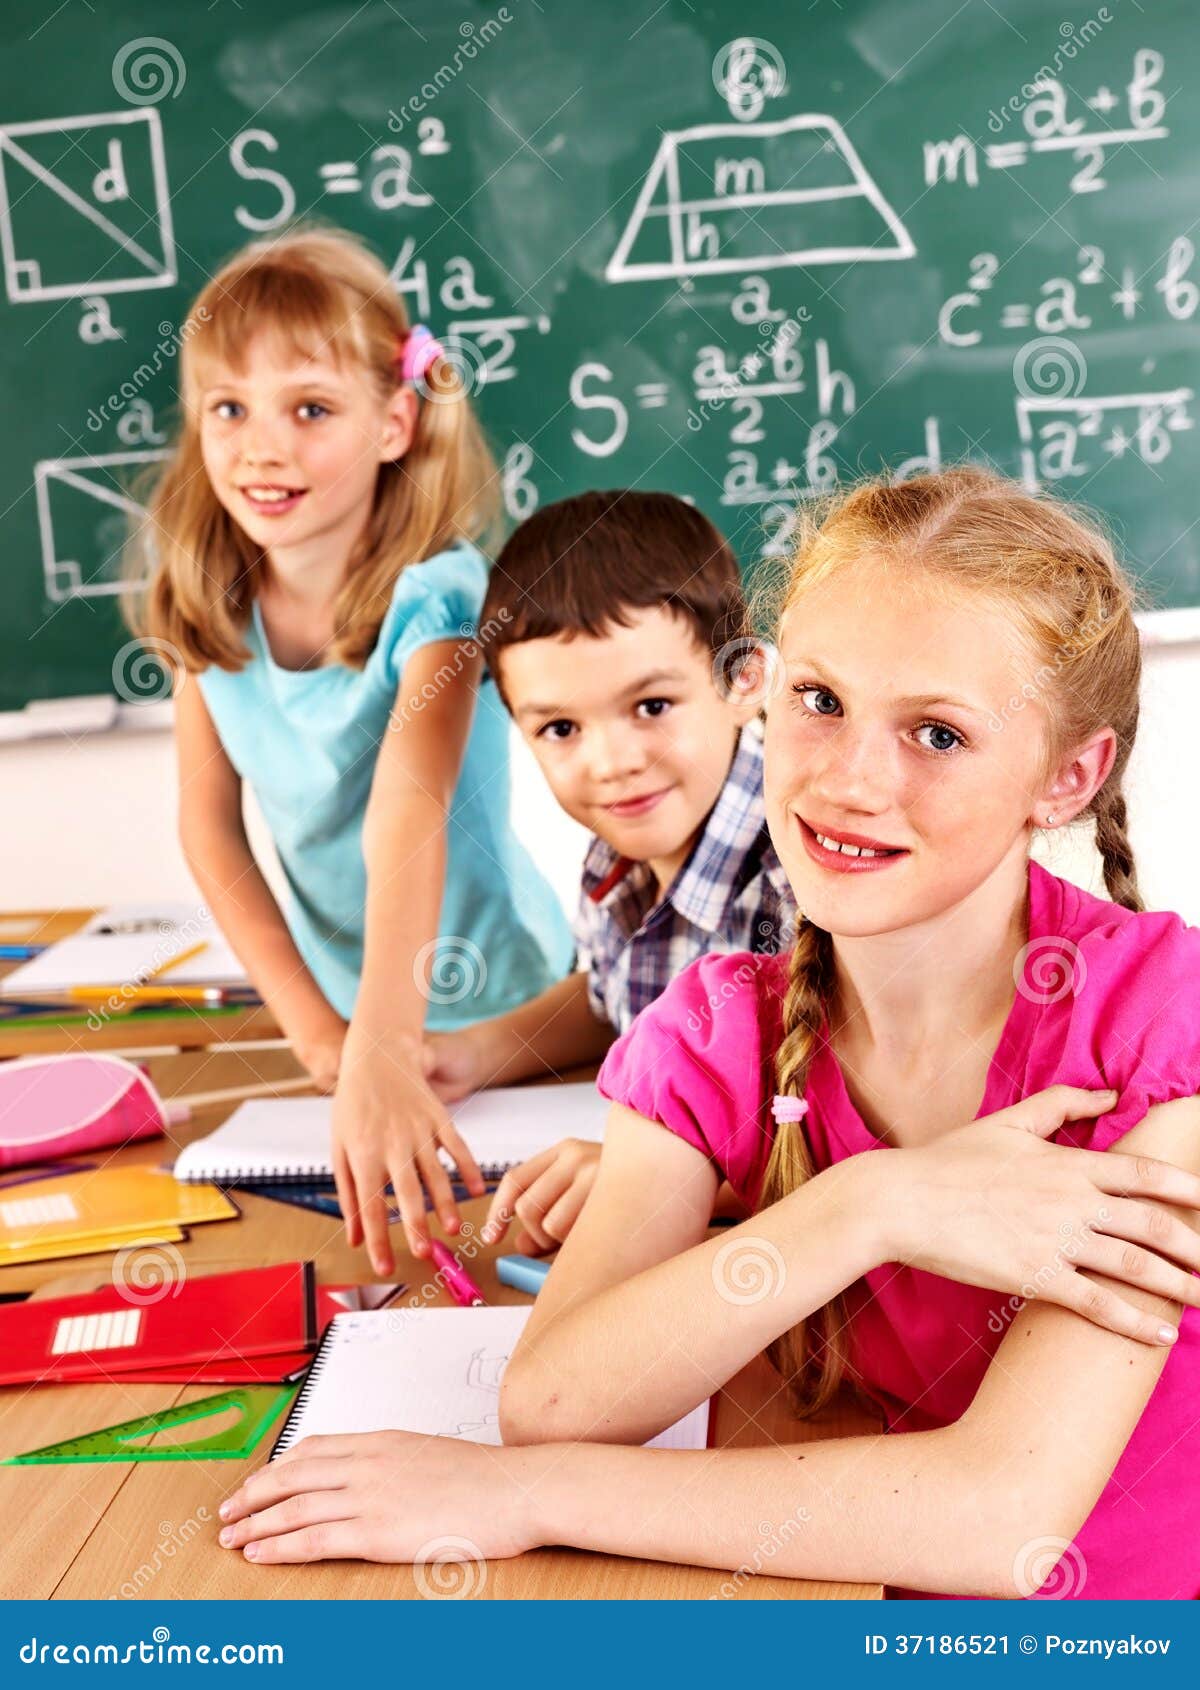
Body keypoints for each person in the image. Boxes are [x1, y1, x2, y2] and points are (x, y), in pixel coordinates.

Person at [217, 470, 1200, 1599]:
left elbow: (998, 1523)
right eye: (820, 700)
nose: (849, 779)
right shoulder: (720, 1027)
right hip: (843, 1603)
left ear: (1068, 777)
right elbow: (557, 1401)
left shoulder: (1155, 1026)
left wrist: (524, 1494)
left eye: (937, 733)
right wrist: (876, 1203)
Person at [134, 226, 571, 1272]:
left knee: (507, 1245)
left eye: (310, 409)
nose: (260, 447)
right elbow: (209, 830)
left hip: (511, 1009)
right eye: (228, 408)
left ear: (394, 423)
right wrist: (320, 1035)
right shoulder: (211, 602)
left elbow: (407, 809)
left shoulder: (442, 598)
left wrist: (382, 1044)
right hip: (350, 1021)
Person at [423, 490, 794, 1253]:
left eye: (651, 706)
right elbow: (615, 997)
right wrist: (473, 1053)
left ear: (742, 680)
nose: (611, 763)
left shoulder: (803, 879)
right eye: (561, 727)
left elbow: (861, 1139)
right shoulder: (615, 860)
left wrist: (651, 1183)